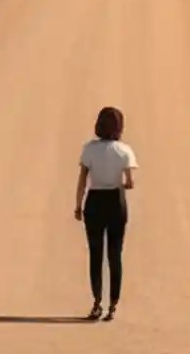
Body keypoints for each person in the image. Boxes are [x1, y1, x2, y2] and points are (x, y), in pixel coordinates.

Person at [74, 106, 137, 322]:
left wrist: (77, 205)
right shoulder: (125, 151)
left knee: (95, 254)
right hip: (115, 202)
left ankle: (97, 302)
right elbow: (130, 182)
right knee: (115, 254)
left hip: (94, 201)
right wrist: (117, 182)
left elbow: (82, 180)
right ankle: (113, 305)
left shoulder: (89, 149)